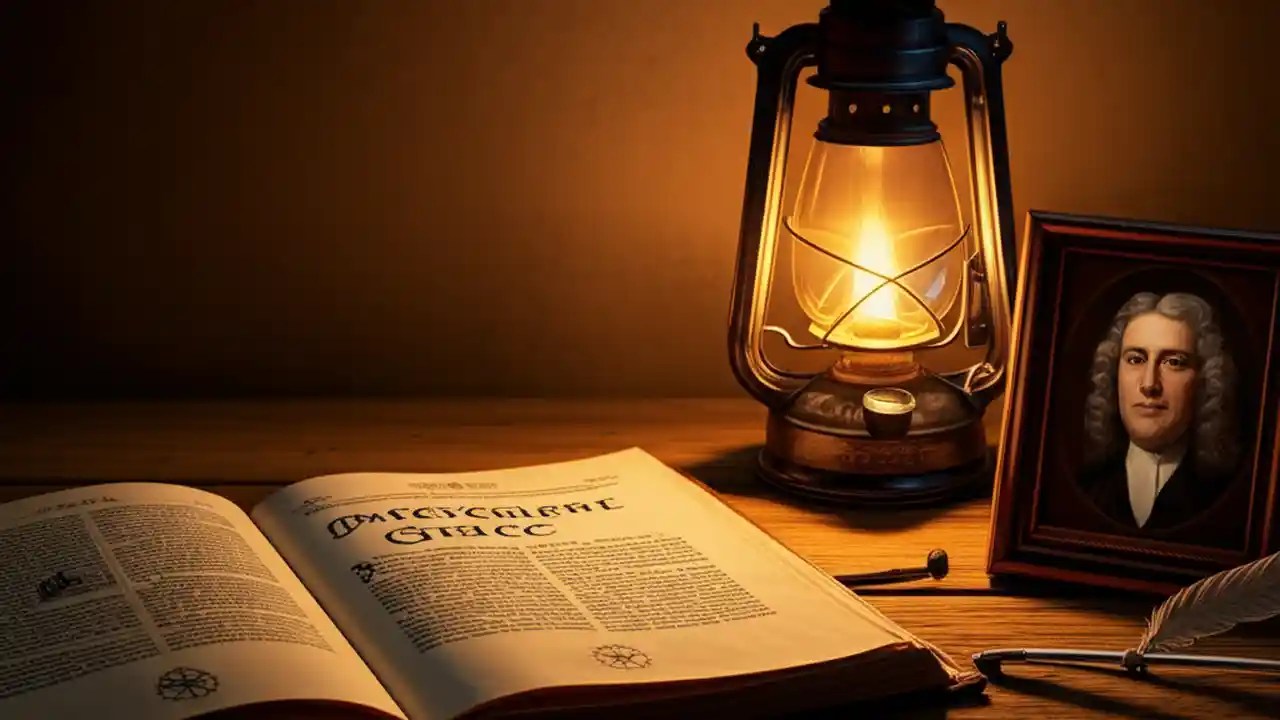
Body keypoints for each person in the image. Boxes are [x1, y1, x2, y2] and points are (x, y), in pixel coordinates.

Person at [1079, 291, 1239, 532]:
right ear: (1114, 372)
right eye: (1135, 359)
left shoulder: (1227, 500)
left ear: (1205, 380)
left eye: (1173, 362)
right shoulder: (1087, 489)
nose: (1150, 384)